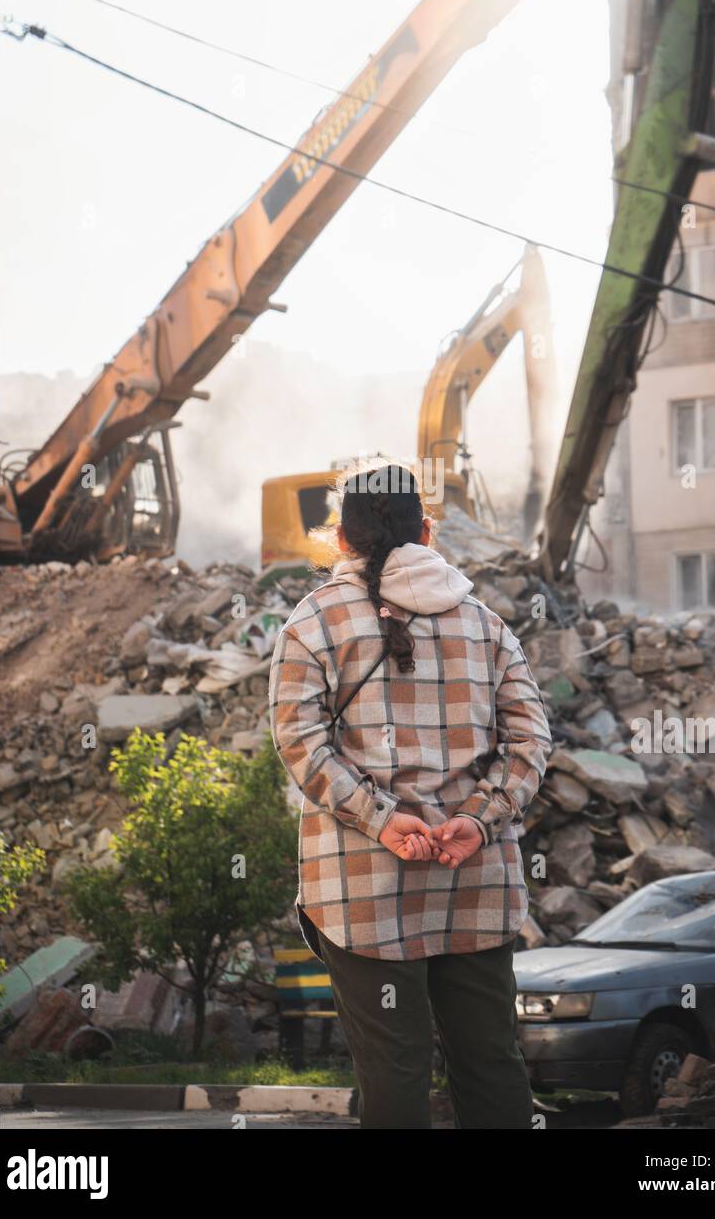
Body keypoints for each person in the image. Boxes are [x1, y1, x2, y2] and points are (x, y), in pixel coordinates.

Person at [269, 463, 552, 1129]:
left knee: (393, 1075)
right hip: (475, 881)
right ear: (427, 530)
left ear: (342, 537)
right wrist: (478, 822)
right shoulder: (485, 624)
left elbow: (300, 742)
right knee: (490, 1064)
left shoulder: (312, 623)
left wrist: (382, 819)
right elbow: (532, 740)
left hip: (361, 890)